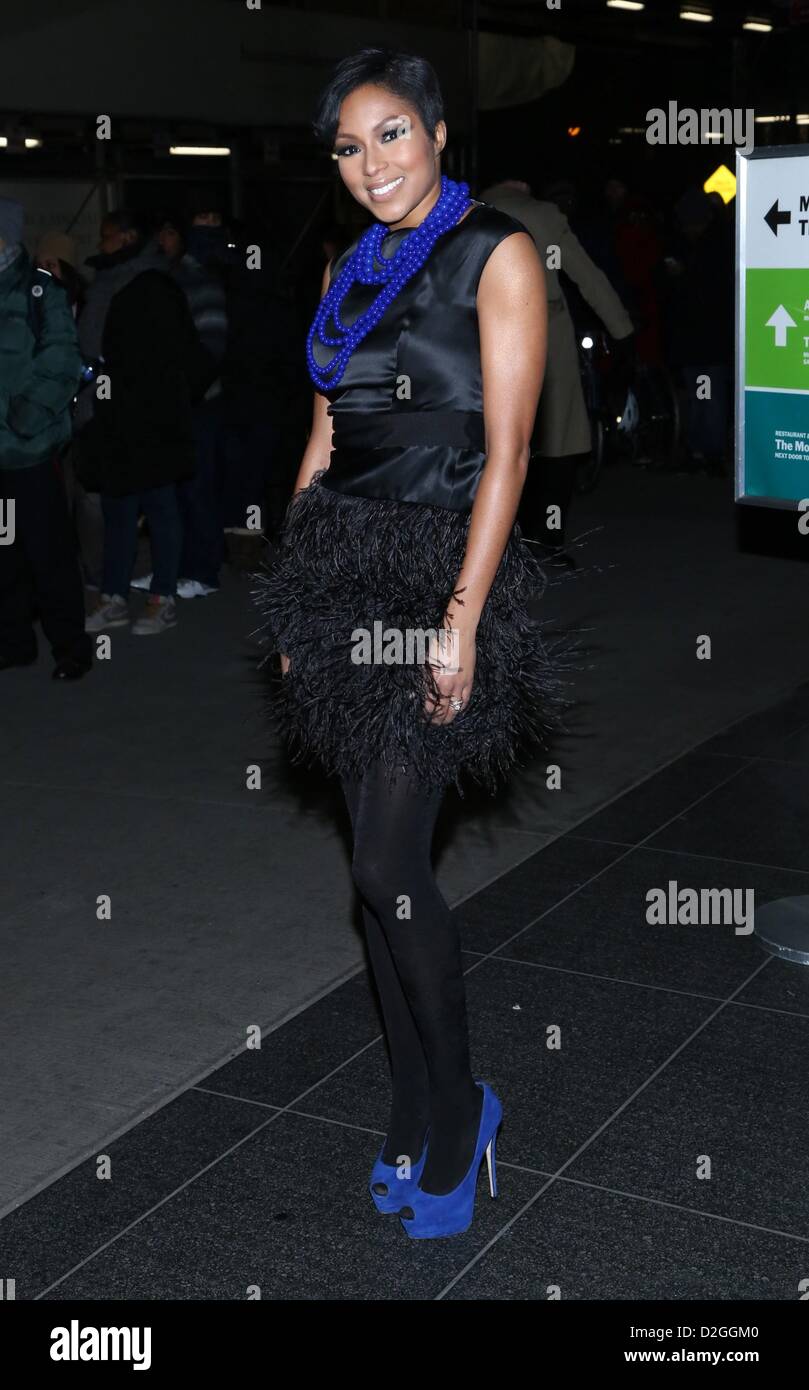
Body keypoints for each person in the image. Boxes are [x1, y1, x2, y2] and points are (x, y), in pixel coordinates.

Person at [255, 49, 570, 1240]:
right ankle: (410, 1092)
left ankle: (459, 1110)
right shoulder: (349, 265)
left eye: (390, 133)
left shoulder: (493, 253)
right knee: (368, 875)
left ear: (436, 129)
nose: (371, 163)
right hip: (335, 572)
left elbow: (509, 453)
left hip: (436, 566)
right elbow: (323, 435)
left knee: (391, 867)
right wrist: (294, 601)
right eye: (347, 145)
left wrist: (460, 623)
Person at [479, 177, 635, 556]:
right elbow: (588, 277)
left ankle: (498, 539)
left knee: (499, 440)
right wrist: (622, 329)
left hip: (486, 334)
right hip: (546, 335)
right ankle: (548, 535)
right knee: (558, 440)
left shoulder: (471, 214)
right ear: (521, 183)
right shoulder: (545, 216)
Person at [80, 210, 218, 635]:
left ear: (126, 238)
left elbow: (192, 356)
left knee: (160, 508)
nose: (100, 243)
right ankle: (115, 596)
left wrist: (170, 402)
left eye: (106, 236)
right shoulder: (109, 282)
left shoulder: (156, 286)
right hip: (115, 420)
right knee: (119, 509)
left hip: (153, 422)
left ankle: (162, 598)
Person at [0, 198, 92, 680]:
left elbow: (62, 359)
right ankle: (13, 642)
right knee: (3, 552)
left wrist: (26, 417)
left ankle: (71, 647)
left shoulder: (40, 290)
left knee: (48, 552)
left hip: (30, 451)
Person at [145, 214, 228, 599]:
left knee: (198, 487)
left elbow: (211, 349)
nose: (163, 237)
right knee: (172, 488)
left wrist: (187, 392)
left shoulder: (201, 282)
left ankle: (203, 572)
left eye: (170, 230)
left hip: (199, 404)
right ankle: (173, 569)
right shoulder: (166, 277)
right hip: (171, 403)